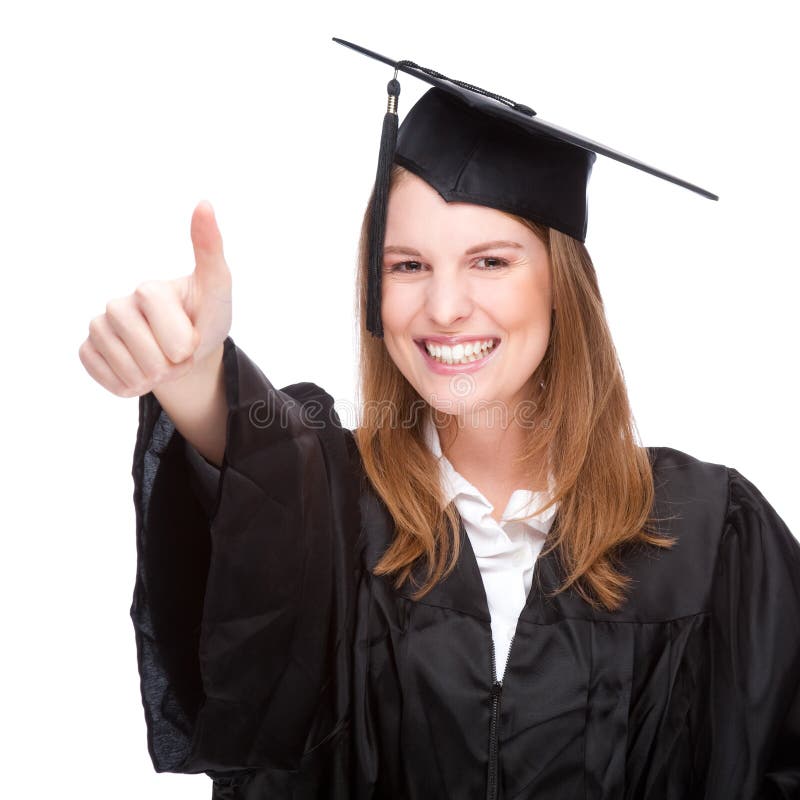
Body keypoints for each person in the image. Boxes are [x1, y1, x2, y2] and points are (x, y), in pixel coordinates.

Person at [79, 39, 800, 800]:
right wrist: (193, 380)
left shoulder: (711, 533)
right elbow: (261, 482)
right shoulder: (333, 516)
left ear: (561, 285)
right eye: (407, 265)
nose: (445, 308)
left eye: (491, 261)